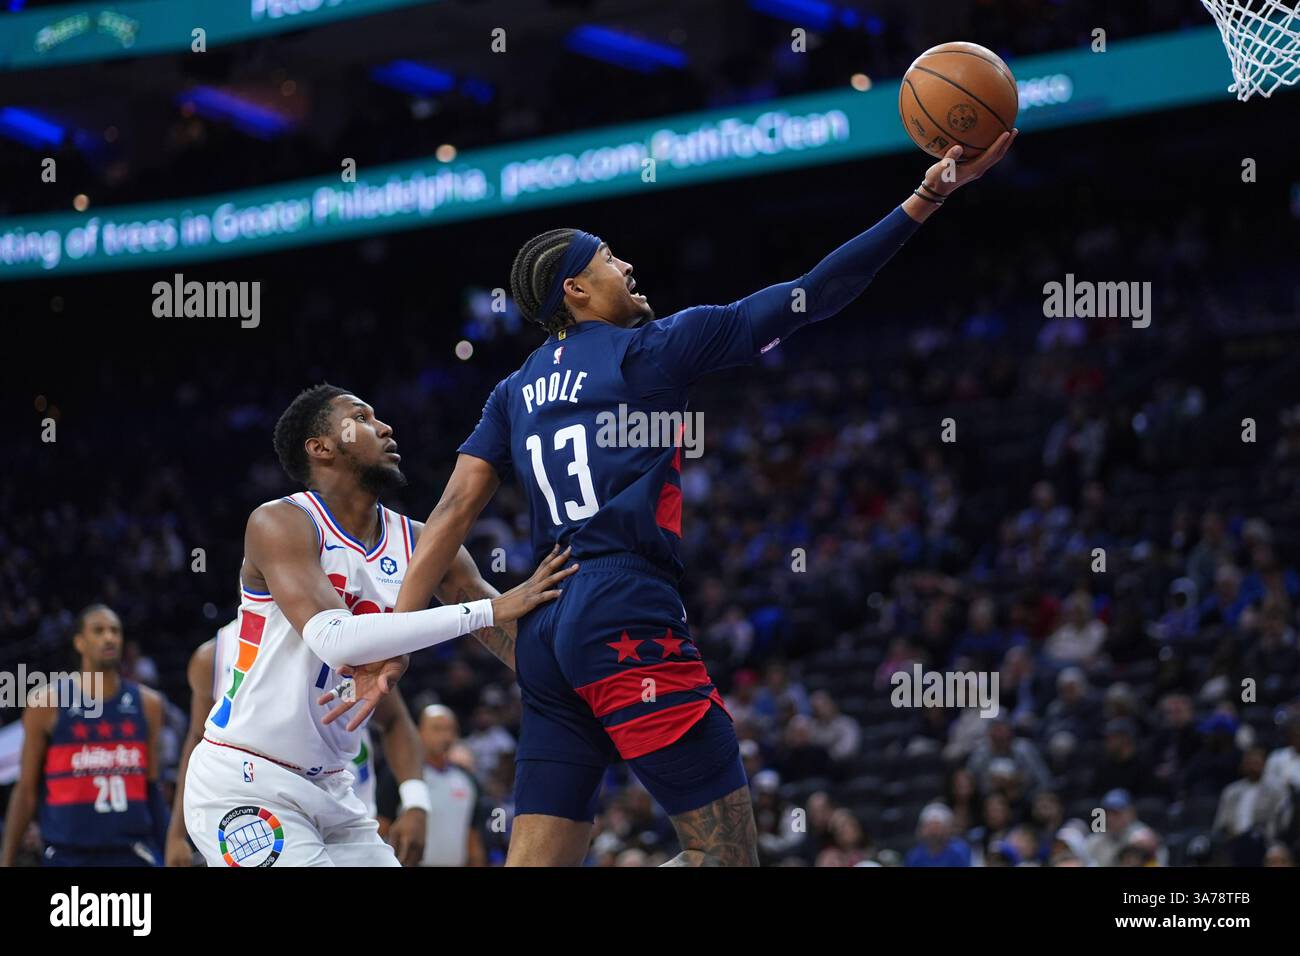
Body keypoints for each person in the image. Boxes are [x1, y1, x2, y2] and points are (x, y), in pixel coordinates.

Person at [362, 132, 1017, 866]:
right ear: (576, 290)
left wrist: (391, 645)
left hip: (546, 625)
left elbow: (449, 515)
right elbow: (812, 295)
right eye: (610, 257)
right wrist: (928, 196)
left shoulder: (512, 391)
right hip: (623, 610)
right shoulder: (651, 351)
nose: (629, 265)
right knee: (727, 856)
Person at [182, 385, 575, 867]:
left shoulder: (420, 543)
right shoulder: (280, 523)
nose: (385, 426)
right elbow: (335, 640)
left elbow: (513, 644)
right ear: (320, 446)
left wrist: (590, 691)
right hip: (245, 778)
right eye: (362, 418)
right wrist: (490, 609)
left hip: (333, 786)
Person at [165, 622, 429, 865]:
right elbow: (199, 737)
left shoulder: (344, 635)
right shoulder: (214, 656)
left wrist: (415, 801)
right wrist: (177, 834)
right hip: (262, 799)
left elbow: (395, 719)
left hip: (346, 805)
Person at [1, 605, 168, 867]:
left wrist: (172, 844)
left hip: (132, 852)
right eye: (98, 631)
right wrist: (6, 860)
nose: (109, 637)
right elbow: (26, 791)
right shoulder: (46, 703)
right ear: (79, 642)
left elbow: (151, 787)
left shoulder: (149, 704)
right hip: (68, 855)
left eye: (115, 631)